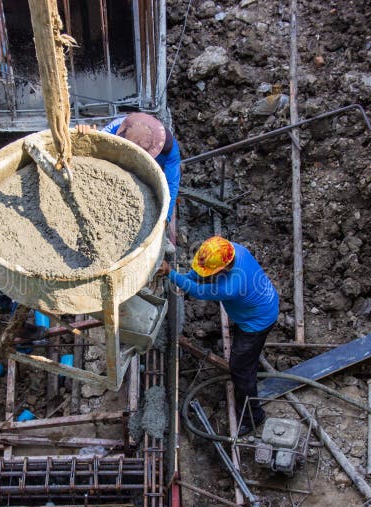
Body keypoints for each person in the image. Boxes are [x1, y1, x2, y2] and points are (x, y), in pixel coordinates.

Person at [160, 236, 279, 436]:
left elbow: (198, 290)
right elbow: (199, 275)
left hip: (257, 323)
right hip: (261, 303)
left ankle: (253, 417)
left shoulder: (231, 286)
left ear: (222, 268)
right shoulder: (234, 250)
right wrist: (187, 275)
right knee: (245, 356)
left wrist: (171, 274)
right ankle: (252, 361)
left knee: (240, 369)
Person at [76, 112, 181, 222]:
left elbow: (171, 186)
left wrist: (165, 220)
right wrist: (87, 136)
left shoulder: (169, 150)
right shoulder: (120, 127)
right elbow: (98, 143)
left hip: (145, 180)